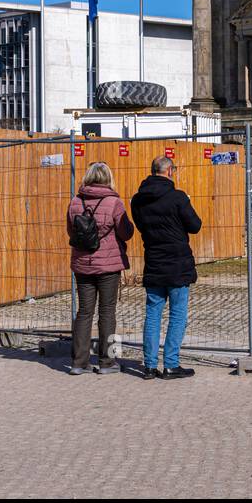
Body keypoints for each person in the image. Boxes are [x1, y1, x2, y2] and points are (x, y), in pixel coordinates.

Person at [130, 155, 203, 380]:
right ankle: (171, 363)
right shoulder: (178, 198)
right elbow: (195, 226)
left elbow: (141, 226)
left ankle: (150, 366)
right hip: (177, 263)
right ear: (170, 171)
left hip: (154, 261)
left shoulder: (137, 200)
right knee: (177, 314)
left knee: (153, 314)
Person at [67, 161, 134, 375]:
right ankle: (108, 361)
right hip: (108, 264)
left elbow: (71, 232)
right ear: (108, 178)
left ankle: (79, 362)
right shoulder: (114, 202)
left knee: (84, 312)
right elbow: (125, 232)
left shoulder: (75, 201)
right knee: (107, 312)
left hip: (82, 264)